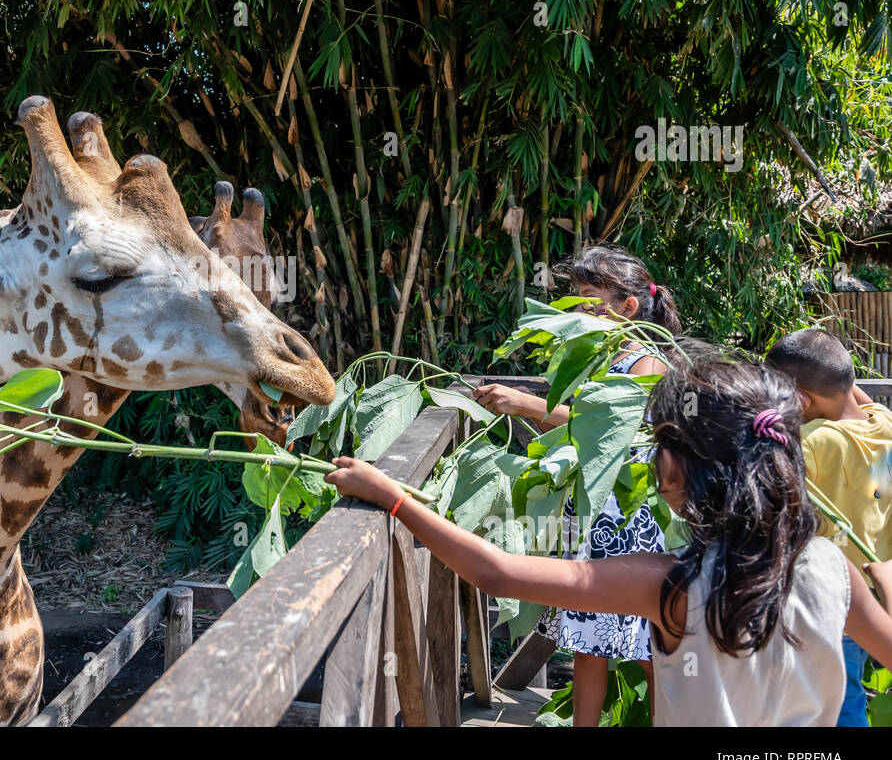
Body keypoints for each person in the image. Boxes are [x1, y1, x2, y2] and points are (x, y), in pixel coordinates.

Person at [327, 357, 892, 726]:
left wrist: (394, 498)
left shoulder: (668, 583)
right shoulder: (833, 568)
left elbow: (496, 572)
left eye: (659, 443)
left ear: (682, 466)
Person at [472, 244, 681, 725]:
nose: (577, 306)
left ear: (627, 306)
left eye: (588, 296)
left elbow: (610, 433)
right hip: (594, 514)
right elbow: (583, 431)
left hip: (630, 523)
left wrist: (526, 405)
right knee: (587, 641)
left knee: (649, 644)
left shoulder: (649, 362)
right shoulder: (605, 357)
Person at [765, 328, 892, 726]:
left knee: (837, 699)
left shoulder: (811, 442)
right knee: (849, 689)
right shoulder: (883, 420)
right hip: (876, 590)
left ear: (800, 400)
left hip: (830, 596)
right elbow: (848, 393)